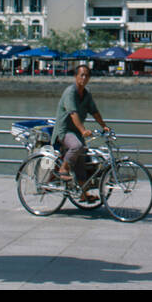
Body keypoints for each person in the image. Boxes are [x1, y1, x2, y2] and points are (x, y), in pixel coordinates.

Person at [53, 63, 108, 201]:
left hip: (76, 132)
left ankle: (84, 194)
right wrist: (83, 130)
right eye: (81, 75)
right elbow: (73, 113)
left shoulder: (86, 94)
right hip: (64, 131)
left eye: (87, 75)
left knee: (82, 160)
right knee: (77, 146)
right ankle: (63, 169)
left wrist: (104, 126)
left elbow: (94, 111)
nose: (84, 78)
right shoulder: (70, 92)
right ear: (76, 77)